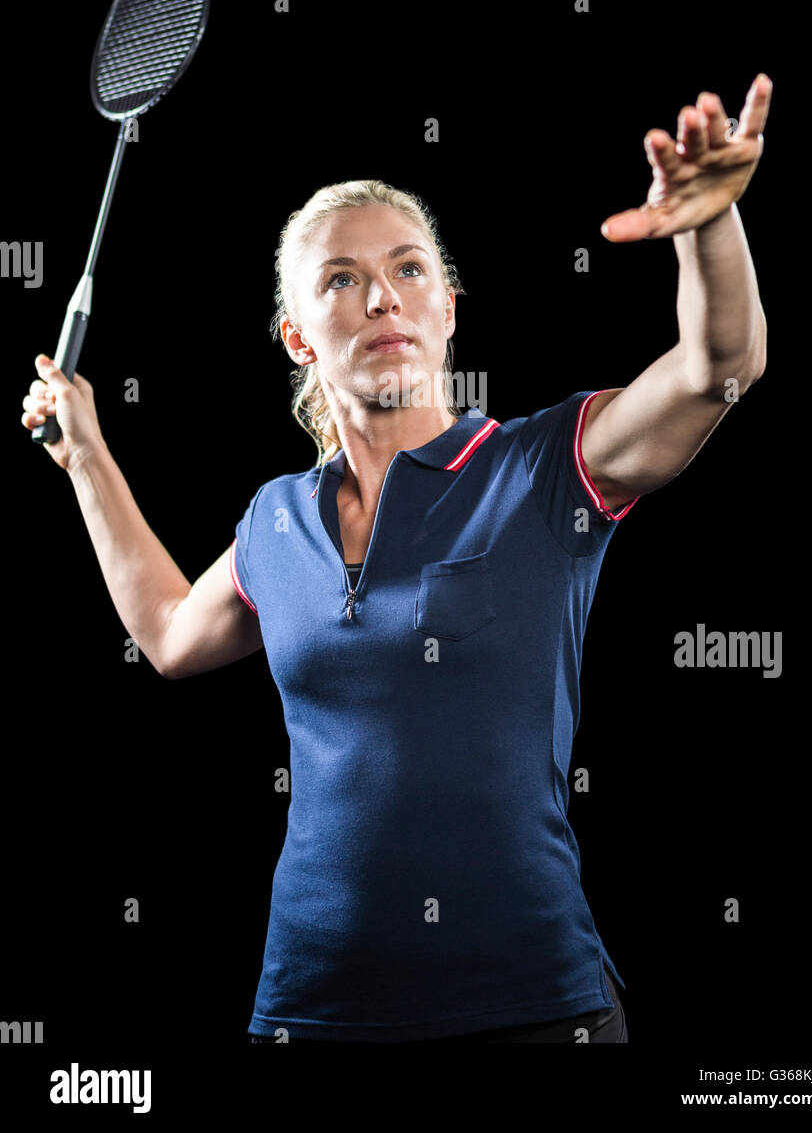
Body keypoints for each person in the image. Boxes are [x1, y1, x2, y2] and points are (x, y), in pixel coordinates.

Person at [22, 77, 772, 1043]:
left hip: (535, 1008)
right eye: (341, 279)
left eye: (411, 270)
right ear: (298, 336)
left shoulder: (546, 466)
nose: (383, 296)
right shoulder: (276, 519)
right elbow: (167, 634)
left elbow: (719, 365)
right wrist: (86, 453)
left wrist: (709, 227)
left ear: (449, 310)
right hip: (311, 1011)